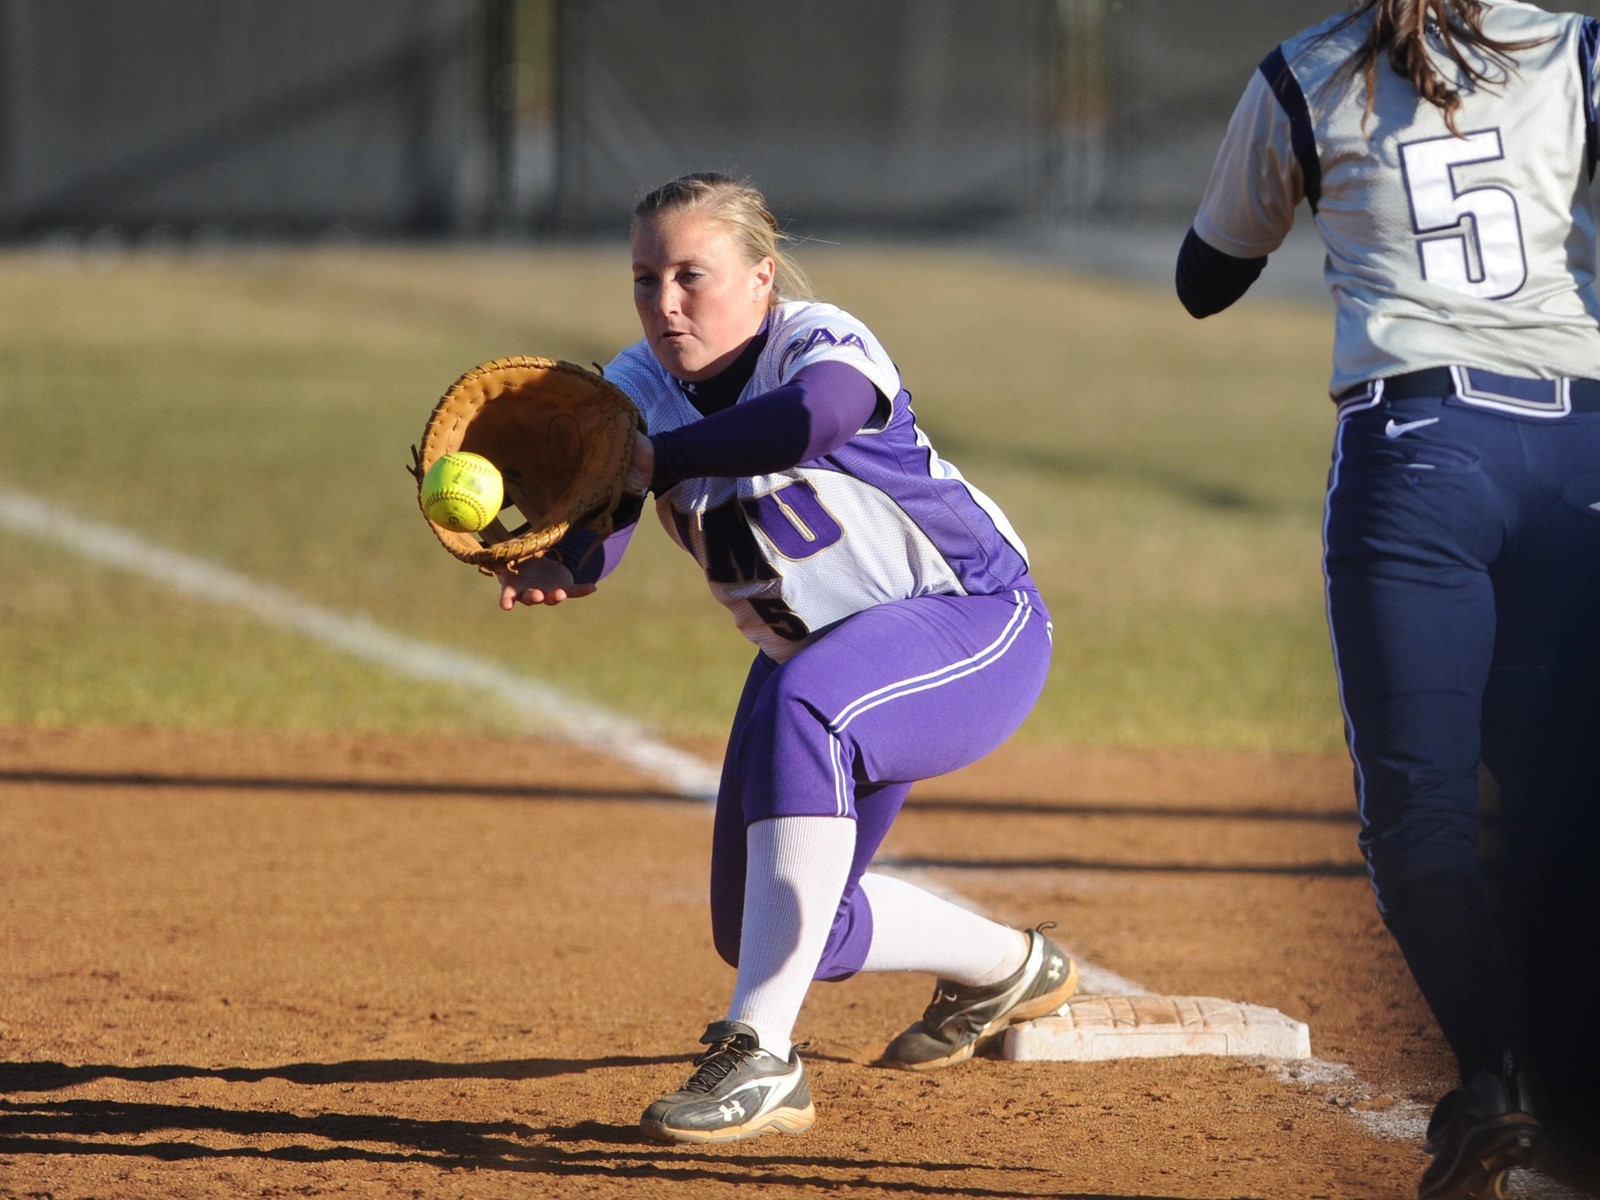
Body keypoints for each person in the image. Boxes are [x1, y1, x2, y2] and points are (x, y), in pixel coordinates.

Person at [494, 172, 1078, 1144]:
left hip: (972, 623)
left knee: (809, 703)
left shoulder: (819, 339)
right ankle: (1008, 967)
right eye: (646, 279)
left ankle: (761, 1055)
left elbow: (816, 420)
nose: (666, 303)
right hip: (820, 667)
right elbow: (610, 523)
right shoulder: (634, 386)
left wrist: (662, 460)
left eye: (692, 274)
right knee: (778, 922)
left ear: (761, 276)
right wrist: (562, 556)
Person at [1179, 2, 1600, 1197]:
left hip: (1418, 451)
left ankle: (1495, 1076)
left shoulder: (1307, 71)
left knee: (1420, 815)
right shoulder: (1575, 47)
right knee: (1562, 795)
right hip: (1581, 452)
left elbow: (1205, 278)